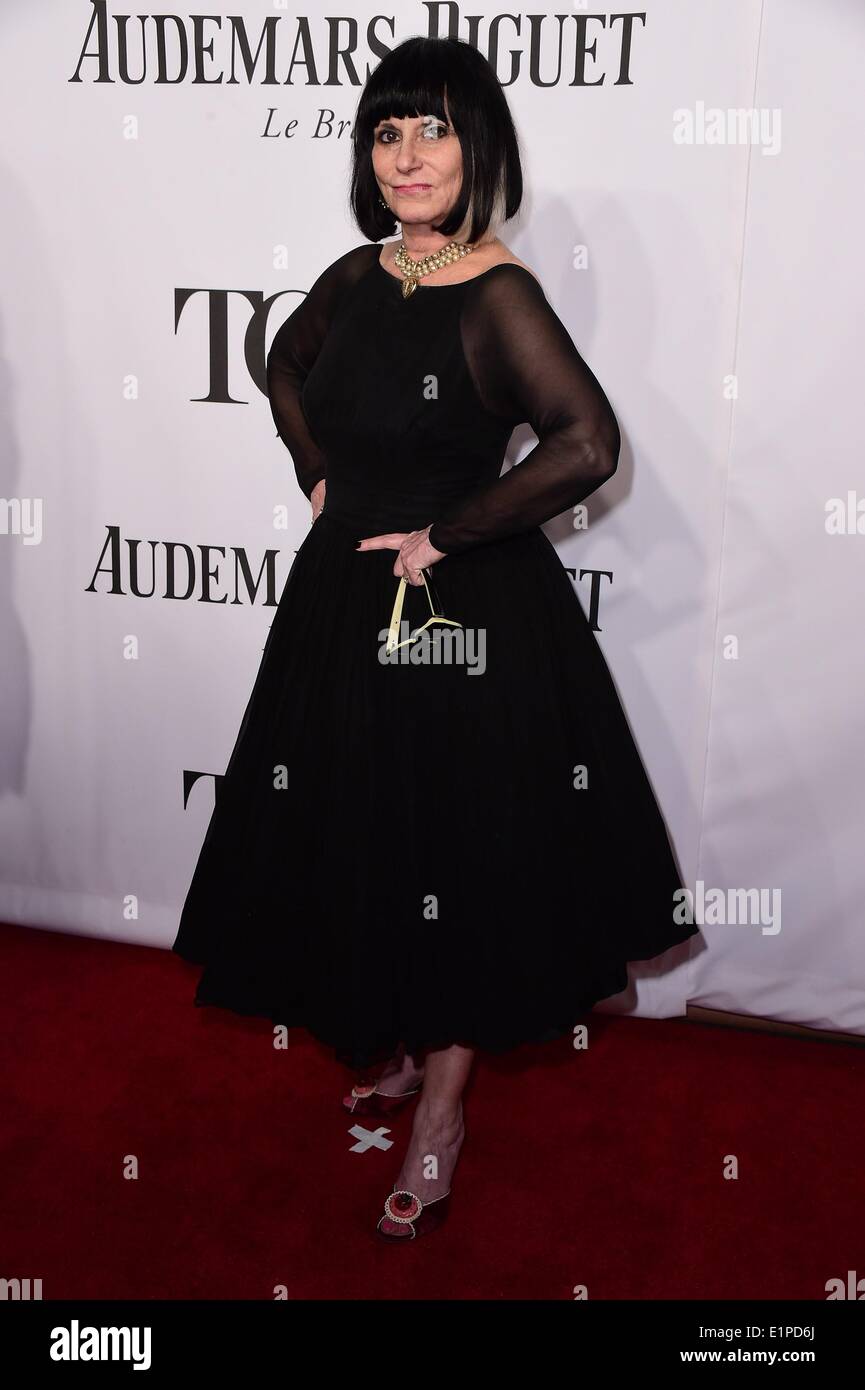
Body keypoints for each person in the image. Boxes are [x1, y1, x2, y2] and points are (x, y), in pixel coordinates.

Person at [172, 35, 699, 1243]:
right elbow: (281, 364)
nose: (407, 157)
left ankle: (441, 1117)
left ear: (480, 149)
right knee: (367, 833)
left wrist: (442, 538)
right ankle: (407, 1051)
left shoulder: (500, 290)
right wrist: (318, 474)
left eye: (435, 131)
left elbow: (585, 443)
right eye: (387, 132)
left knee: (455, 862)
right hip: (339, 608)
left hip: (458, 620)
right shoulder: (360, 276)